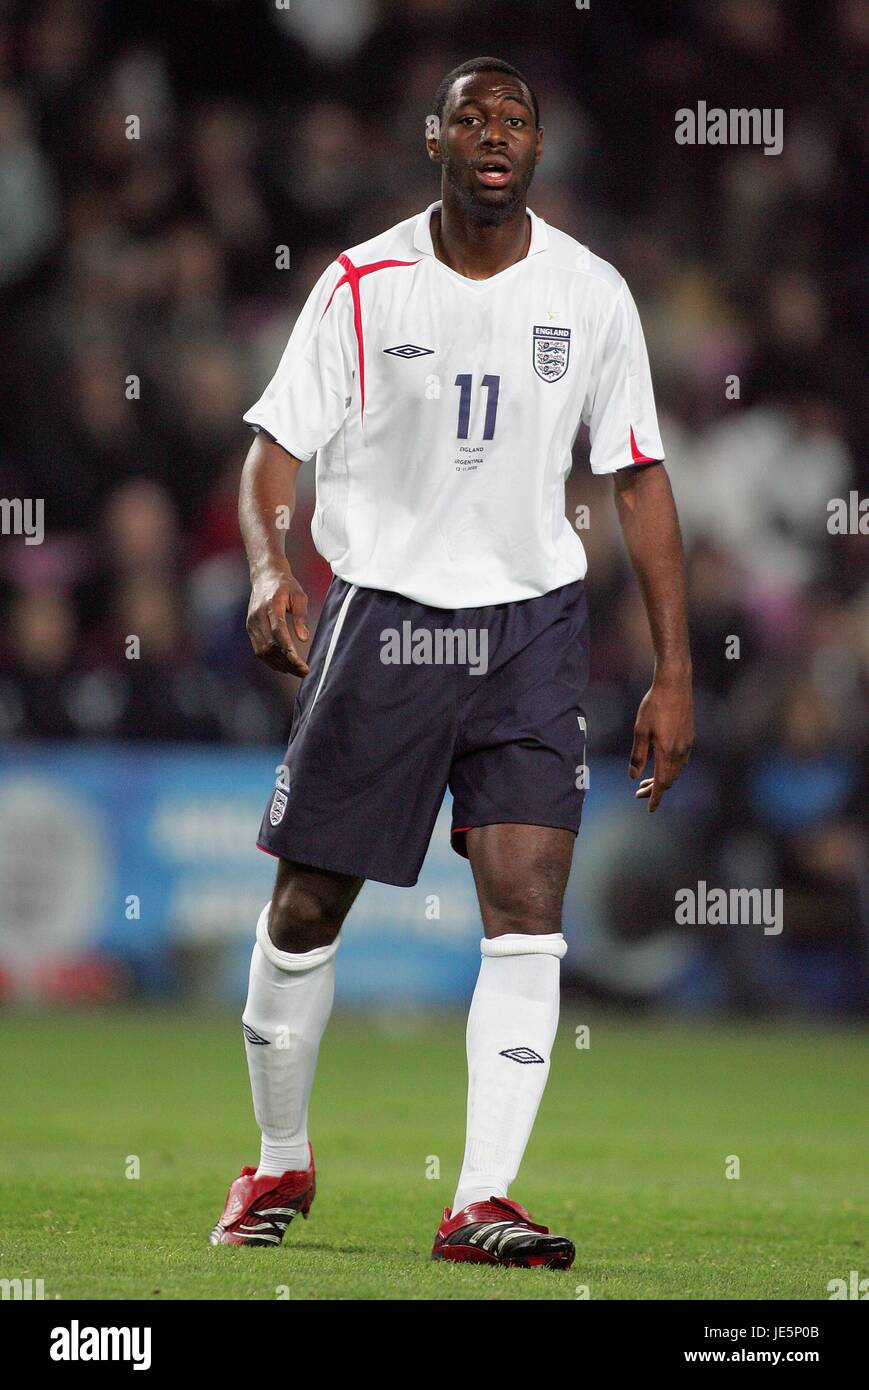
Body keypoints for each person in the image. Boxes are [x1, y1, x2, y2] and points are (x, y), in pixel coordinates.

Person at [210, 57, 693, 1268]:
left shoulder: (589, 293)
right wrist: (273, 570)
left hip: (531, 629)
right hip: (384, 620)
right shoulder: (363, 284)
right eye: (471, 115)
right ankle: (276, 1159)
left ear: (537, 149)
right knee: (306, 906)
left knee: (527, 912)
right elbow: (273, 452)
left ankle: (479, 1197)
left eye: (515, 118)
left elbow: (636, 472)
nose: (493, 133)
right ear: (434, 139)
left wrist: (675, 669)